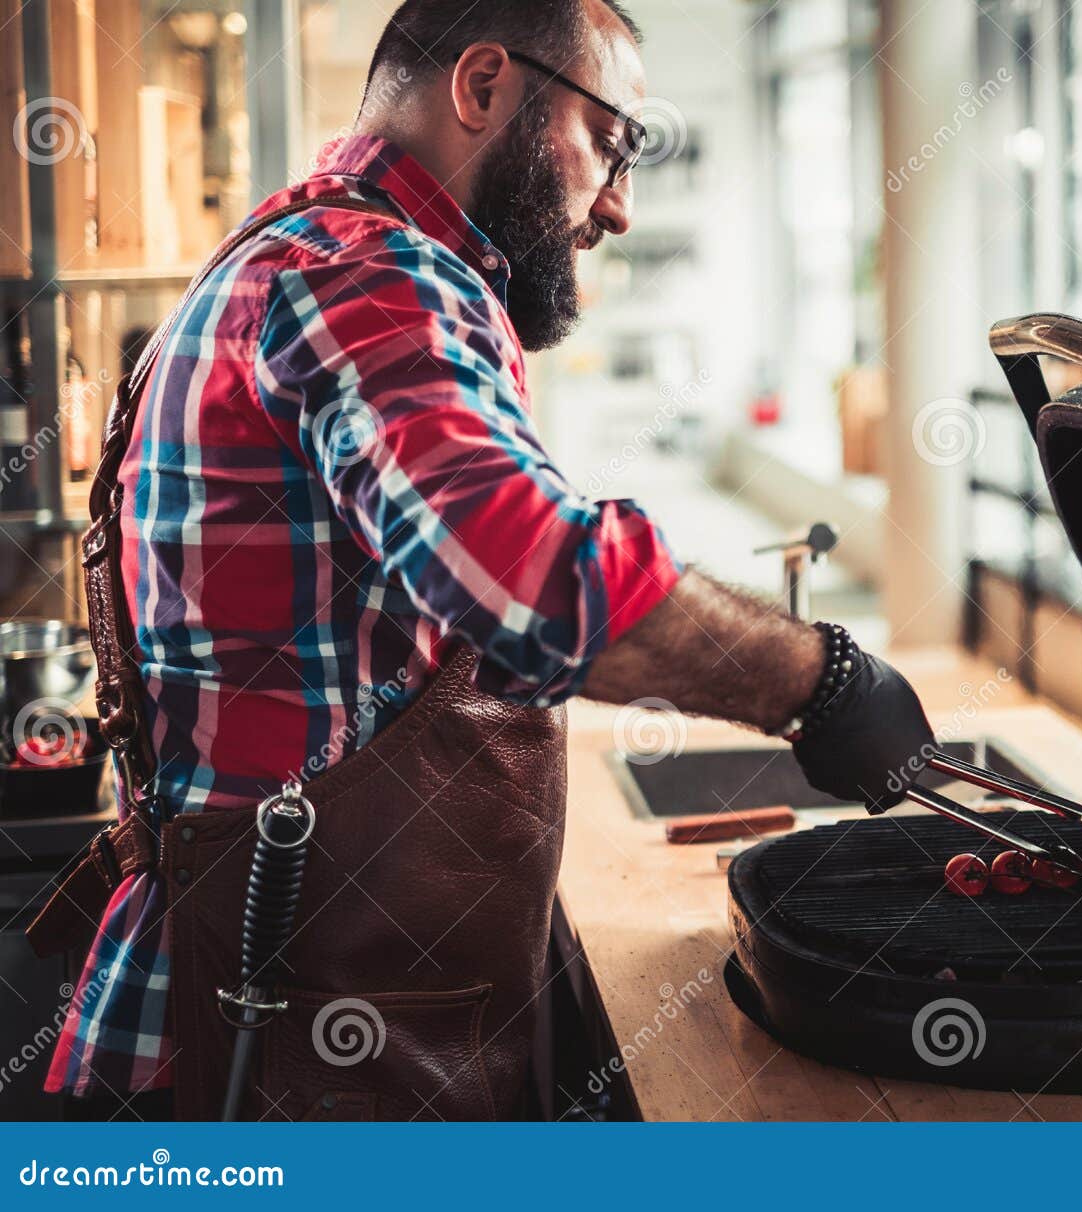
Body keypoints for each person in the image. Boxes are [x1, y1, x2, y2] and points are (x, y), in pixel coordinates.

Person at [37, 0, 933, 1121]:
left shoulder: (290, 246)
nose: (616, 207)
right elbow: (540, 584)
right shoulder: (371, 278)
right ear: (482, 87)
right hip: (293, 1055)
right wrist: (826, 682)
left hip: (266, 1000)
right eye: (612, 147)